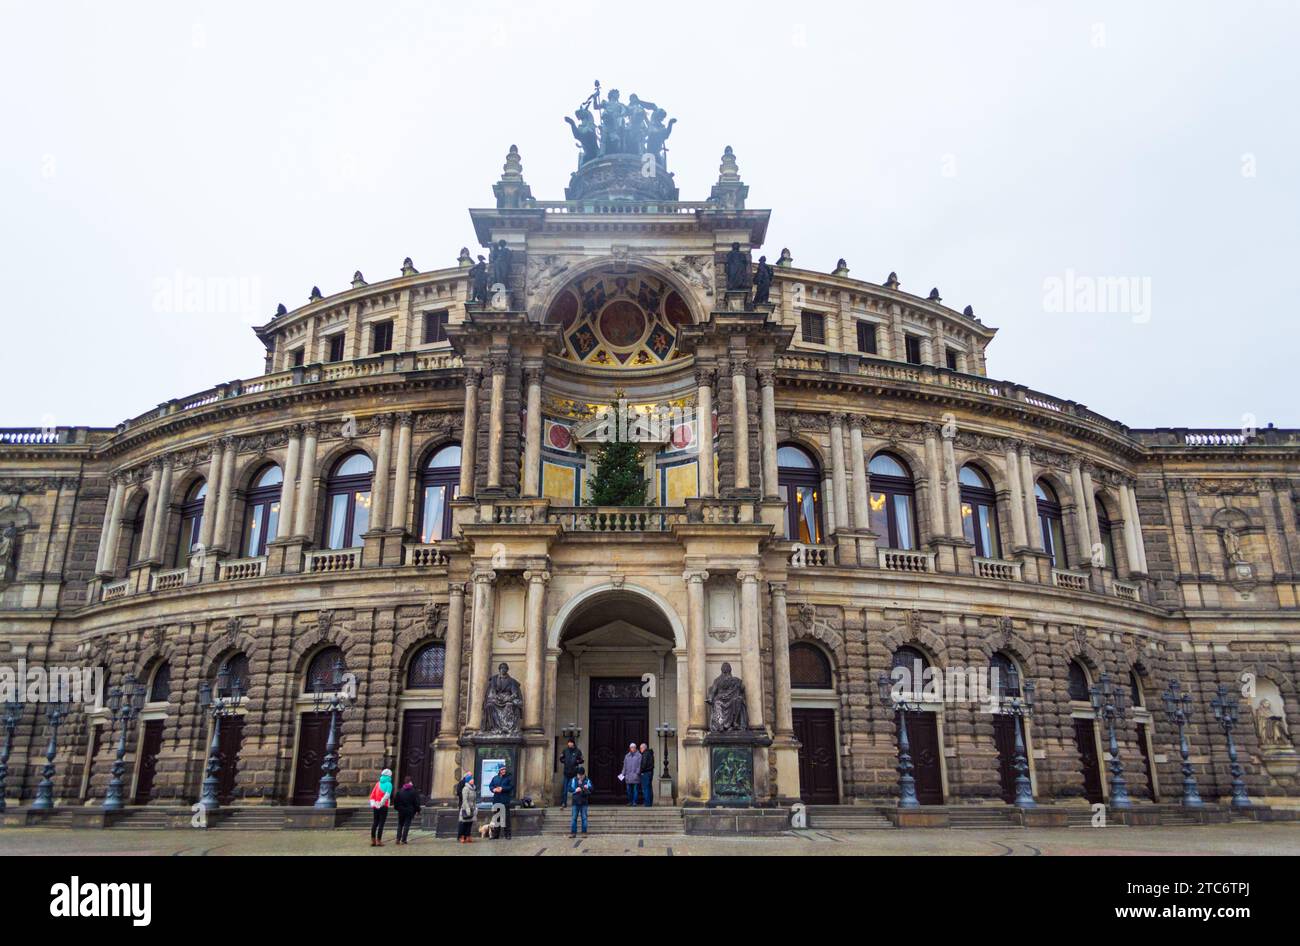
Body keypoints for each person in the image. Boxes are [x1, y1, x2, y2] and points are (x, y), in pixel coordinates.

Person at [488, 762, 515, 839]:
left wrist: (502, 789)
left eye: (504, 769)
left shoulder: (509, 777)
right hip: (496, 800)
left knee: (506, 818)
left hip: (505, 800)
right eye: (502, 769)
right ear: (499, 770)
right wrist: (493, 789)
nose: (503, 771)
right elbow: (491, 786)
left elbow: (511, 786)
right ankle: (496, 835)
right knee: (497, 818)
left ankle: (508, 834)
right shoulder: (495, 778)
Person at [368, 768, 393, 847]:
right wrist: (381, 803)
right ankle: (379, 841)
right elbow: (387, 795)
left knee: (375, 823)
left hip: (375, 806)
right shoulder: (389, 784)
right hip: (383, 806)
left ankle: (373, 840)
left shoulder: (378, 783)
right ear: (389, 775)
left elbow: (372, 795)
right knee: (381, 823)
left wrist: (374, 803)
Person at [393, 776, 421, 845]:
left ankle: (398, 839)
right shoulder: (413, 792)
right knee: (407, 825)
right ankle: (404, 840)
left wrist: (398, 808)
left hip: (401, 811)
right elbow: (416, 802)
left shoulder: (400, 791)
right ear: (410, 782)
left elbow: (396, 802)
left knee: (400, 825)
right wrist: (418, 810)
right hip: (409, 811)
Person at [559, 738, 584, 807]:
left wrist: (576, 762)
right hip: (566, 772)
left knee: (573, 789)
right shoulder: (565, 750)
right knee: (565, 789)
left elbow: (582, 760)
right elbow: (561, 758)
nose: (569, 744)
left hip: (574, 773)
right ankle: (564, 803)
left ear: (573, 743)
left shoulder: (577, 751)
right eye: (568, 742)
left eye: (570, 742)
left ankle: (575, 802)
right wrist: (565, 761)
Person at [568, 766, 592, 838]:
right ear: (577, 774)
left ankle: (584, 832)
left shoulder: (587, 780)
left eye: (582, 775)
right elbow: (569, 788)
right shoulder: (573, 780)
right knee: (574, 818)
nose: (580, 776)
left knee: (584, 818)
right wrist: (575, 790)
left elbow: (591, 788)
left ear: (584, 774)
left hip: (584, 802)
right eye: (579, 775)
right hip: (575, 802)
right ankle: (573, 832)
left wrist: (587, 787)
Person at [620, 742, 642, 806]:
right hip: (628, 776)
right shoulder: (627, 756)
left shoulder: (639, 755)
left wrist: (637, 773)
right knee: (629, 790)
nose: (632, 748)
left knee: (635, 790)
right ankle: (630, 801)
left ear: (635, 748)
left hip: (635, 776)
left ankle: (634, 802)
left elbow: (639, 765)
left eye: (633, 747)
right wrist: (622, 774)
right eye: (631, 747)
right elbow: (625, 765)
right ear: (630, 748)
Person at [457, 774, 477, 844]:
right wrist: (467, 808)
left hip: (472, 808)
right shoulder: (465, 788)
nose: (473, 780)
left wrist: (475, 807)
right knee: (464, 822)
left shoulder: (474, 788)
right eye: (471, 779)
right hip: (466, 808)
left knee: (470, 822)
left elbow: (474, 800)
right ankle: (462, 836)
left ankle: (468, 836)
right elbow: (464, 800)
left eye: (473, 779)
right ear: (468, 781)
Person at [638, 741, 655, 807]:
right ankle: (650, 802)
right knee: (649, 787)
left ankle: (647, 803)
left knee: (645, 788)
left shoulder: (645, 754)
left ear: (643, 748)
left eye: (640, 748)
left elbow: (644, 764)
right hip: (650, 772)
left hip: (645, 773)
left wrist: (640, 771)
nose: (640, 750)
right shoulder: (650, 753)